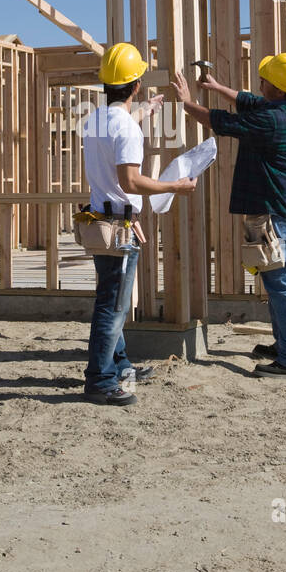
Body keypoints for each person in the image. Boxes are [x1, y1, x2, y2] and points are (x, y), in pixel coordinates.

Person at [172, 52, 286, 379]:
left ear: (278, 90)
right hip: (285, 207)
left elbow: (222, 122)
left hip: (279, 211)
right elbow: (250, 101)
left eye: (265, 80)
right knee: (277, 281)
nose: (259, 82)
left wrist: (187, 102)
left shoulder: (271, 120)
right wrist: (218, 86)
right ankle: (285, 346)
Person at [81, 42, 197, 406]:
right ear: (135, 85)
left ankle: (120, 366)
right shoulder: (127, 130)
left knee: (110, 297)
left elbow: (120, 129)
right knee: (112, 305)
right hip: (118, 226)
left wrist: (144, 110)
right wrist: (174, 186)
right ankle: (100, 380)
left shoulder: (95, 120)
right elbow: (131, 181)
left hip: (103, 223)